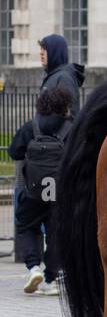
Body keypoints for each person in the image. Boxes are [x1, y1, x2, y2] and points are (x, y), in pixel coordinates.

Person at [9, 84, 74, 295]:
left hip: (33, 191)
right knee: (58, 233)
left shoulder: (32, 126)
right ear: (64, 105)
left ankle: (33, 267)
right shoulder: (70, 127)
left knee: (26, 225)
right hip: (61, 193)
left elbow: (14, 152)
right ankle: (50, 278)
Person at [37, 34, 84, 116]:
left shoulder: (64, 78)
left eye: (44, 49)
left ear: (55, 51)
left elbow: (68, 117)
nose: (41, 53)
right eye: (41, 49)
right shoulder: (53, 75)